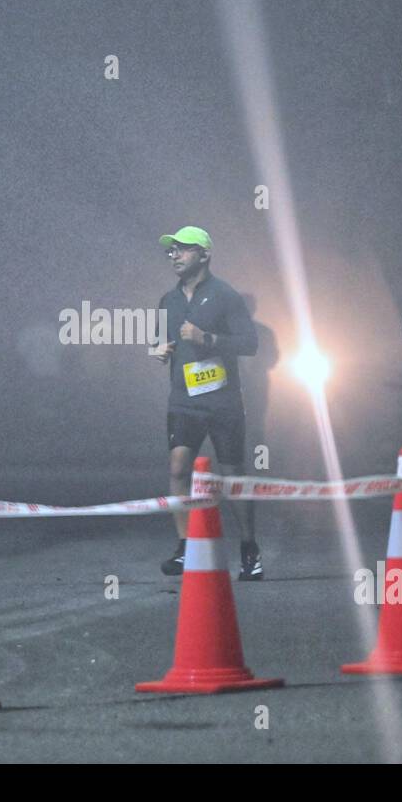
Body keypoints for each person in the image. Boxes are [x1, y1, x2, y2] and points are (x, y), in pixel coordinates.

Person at [149, 226, 263, 580]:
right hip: (183, 402)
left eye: (183, 249)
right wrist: (159, 349)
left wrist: (207, 337)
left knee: (231, 476)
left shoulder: (225, 295)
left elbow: (250, 343)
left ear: (204, 254)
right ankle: (185, 547)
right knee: (178, 469)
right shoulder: (168, 300)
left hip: (223, 403)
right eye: (172, 251)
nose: (175, 255)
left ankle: (249, 548)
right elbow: (163, 339)